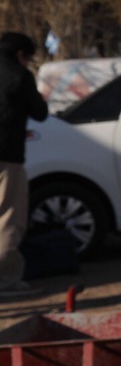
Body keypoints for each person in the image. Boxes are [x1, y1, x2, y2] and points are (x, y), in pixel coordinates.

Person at [0, 32, 49, 299]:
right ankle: (6, 280)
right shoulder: (19, 76)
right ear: (21, 55)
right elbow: (40, 113)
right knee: (8, 217)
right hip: (7, 155)